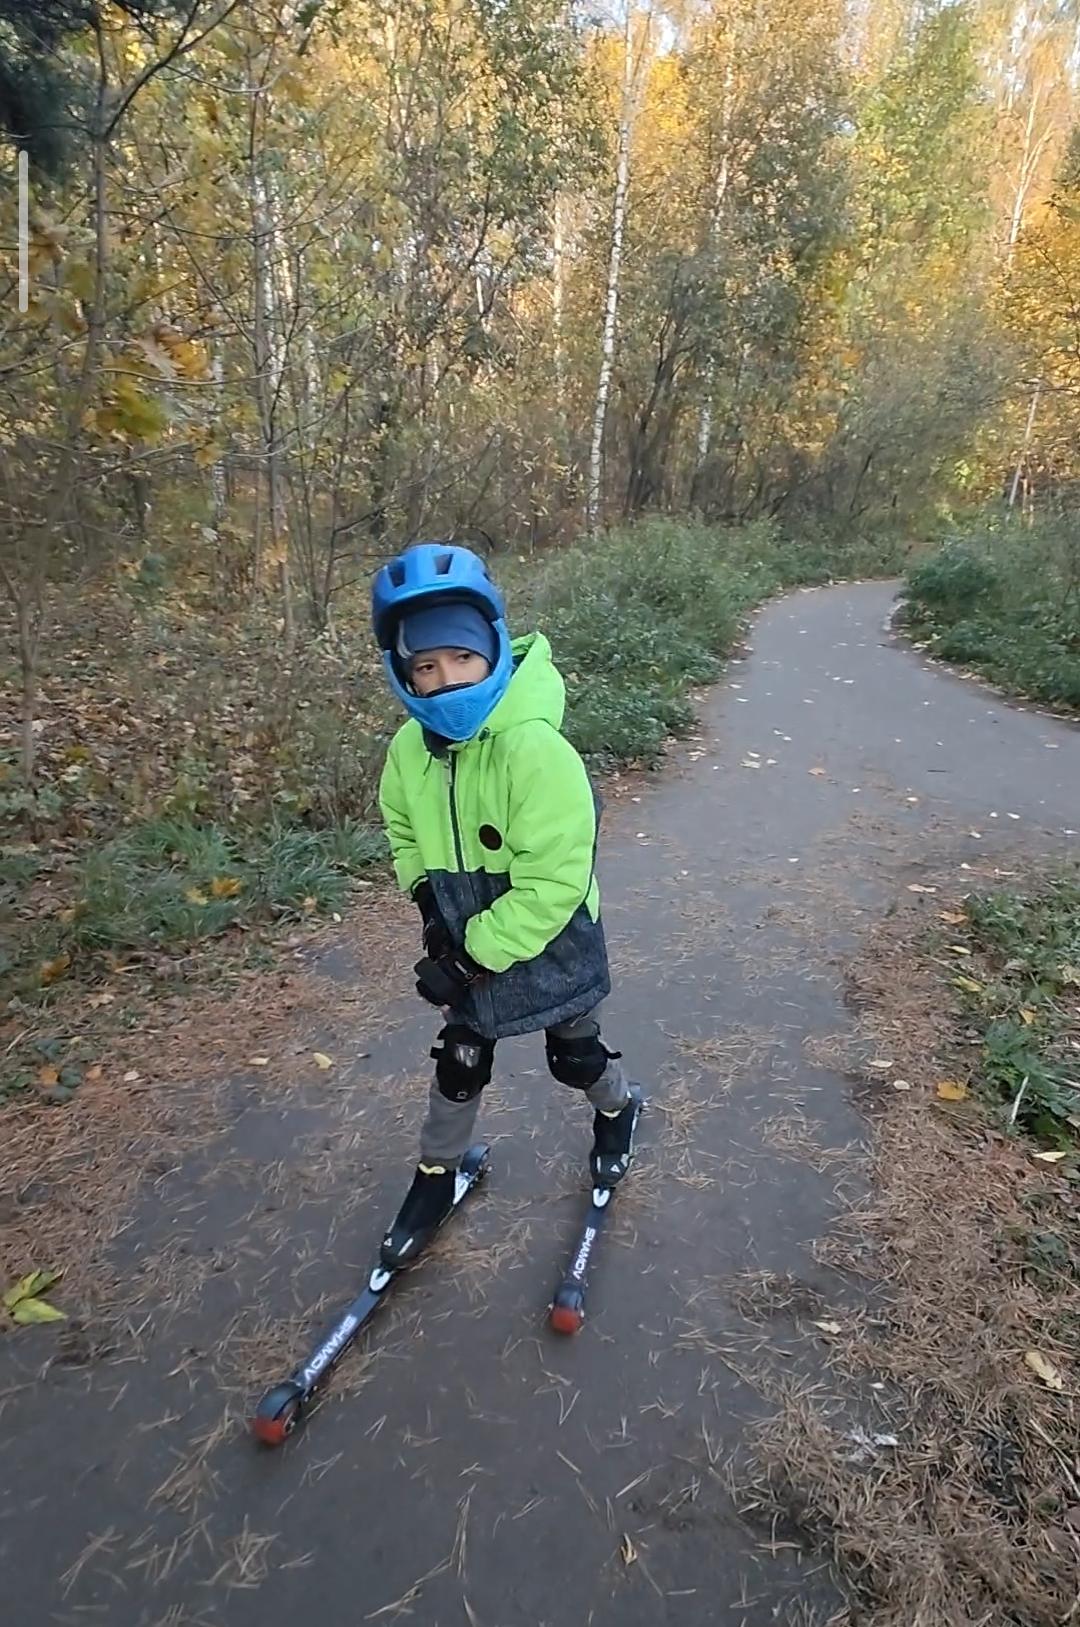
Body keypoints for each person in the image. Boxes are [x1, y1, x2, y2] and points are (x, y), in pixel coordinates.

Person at [371, 541, 641, 1268]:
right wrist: (428, 900)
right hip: (465, 936)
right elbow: (402, 828)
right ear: (403, 675)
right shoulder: (409, 750)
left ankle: (619, 1106)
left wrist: (465, 956)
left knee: (572, 1052)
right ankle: (435, 1174)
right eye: (424, 667)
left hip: (548, 935)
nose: (444, 679)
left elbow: (553, 884)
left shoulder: (537, 752)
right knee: (460, 1059)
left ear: (492, 645)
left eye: (460, 657)